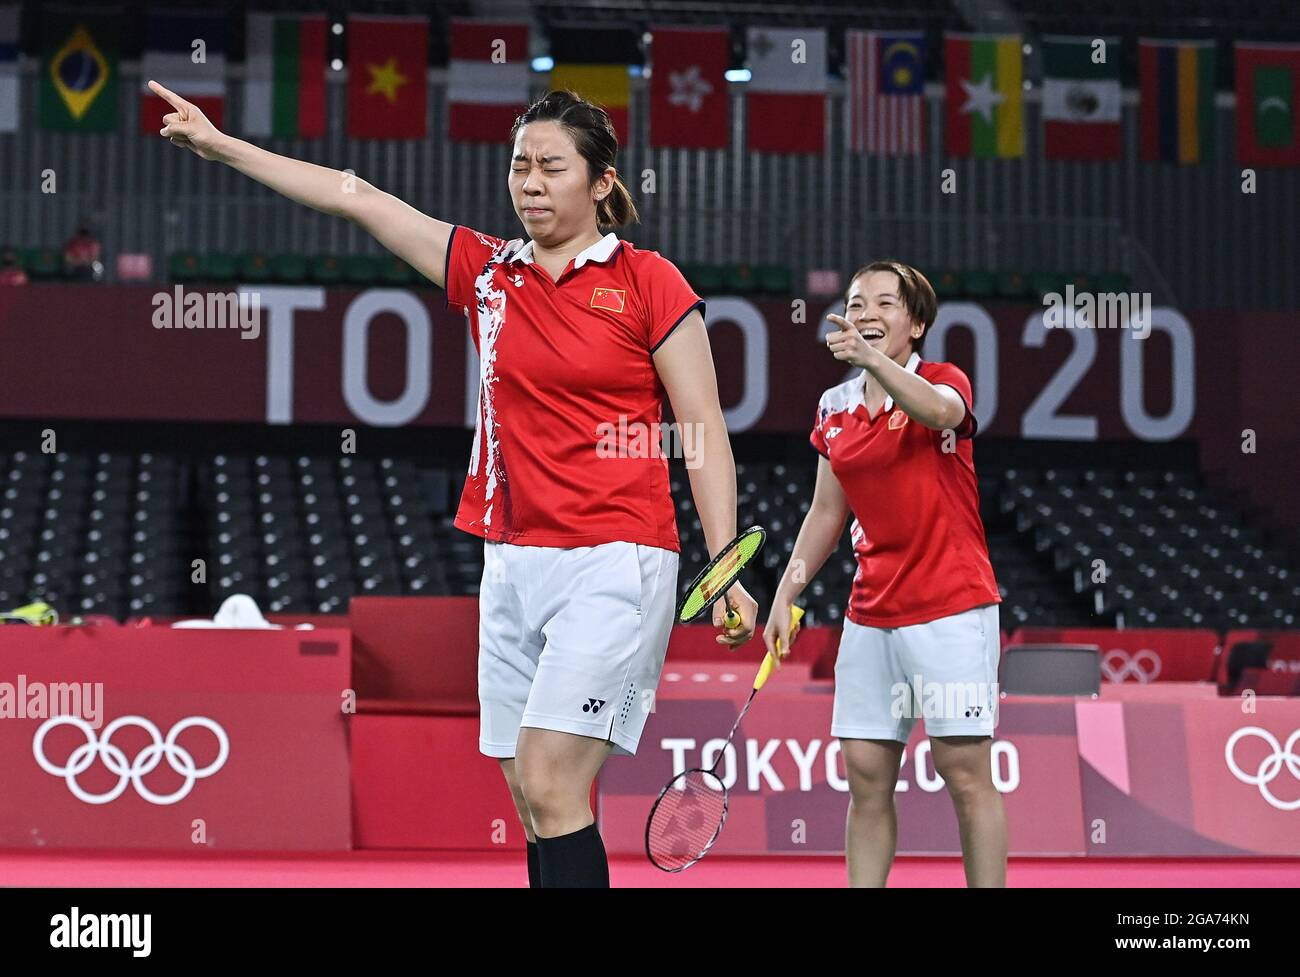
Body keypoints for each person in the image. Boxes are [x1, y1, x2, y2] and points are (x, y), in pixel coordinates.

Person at [150, 80, 758, 888]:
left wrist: (726, 568)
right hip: (510, 560)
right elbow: (355, 196)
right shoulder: (487, 272)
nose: (530, 183)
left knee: (548, 777)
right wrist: (220, 145)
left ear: (603, 181)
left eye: (551, 167)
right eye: (519, 166)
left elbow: (703, 429)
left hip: (616, 557)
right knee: (532, 792)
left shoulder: (649, 284)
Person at [764, 260, 1006, 887]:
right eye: (855, 302)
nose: (866, 313)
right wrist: (785, 594)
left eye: (884, 304)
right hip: (871, 616)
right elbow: (825, 512)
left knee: (964, 770)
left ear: (917, 323)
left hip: (951, 606)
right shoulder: (834, 407)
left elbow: (939, 415)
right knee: (867, 778)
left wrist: (875, 365)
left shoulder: (943, 380)